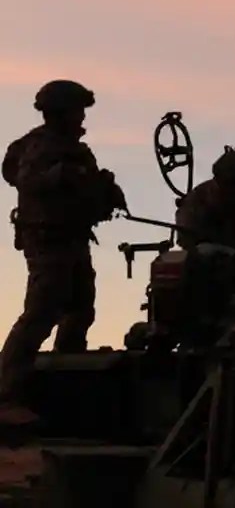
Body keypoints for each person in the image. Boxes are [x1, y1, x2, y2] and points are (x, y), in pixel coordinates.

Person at [0, 80, 126, 422]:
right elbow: (27, 180)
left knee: (81, 309)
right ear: (59, 113)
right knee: (40, 314)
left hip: (73, 239)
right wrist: (62, 176)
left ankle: (66, 379)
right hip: (47, 242)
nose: (81, 117)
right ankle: (6, 395)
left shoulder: (76, 150)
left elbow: (87, 190)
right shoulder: (39, 147)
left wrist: (105, 192)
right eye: (77, 110)